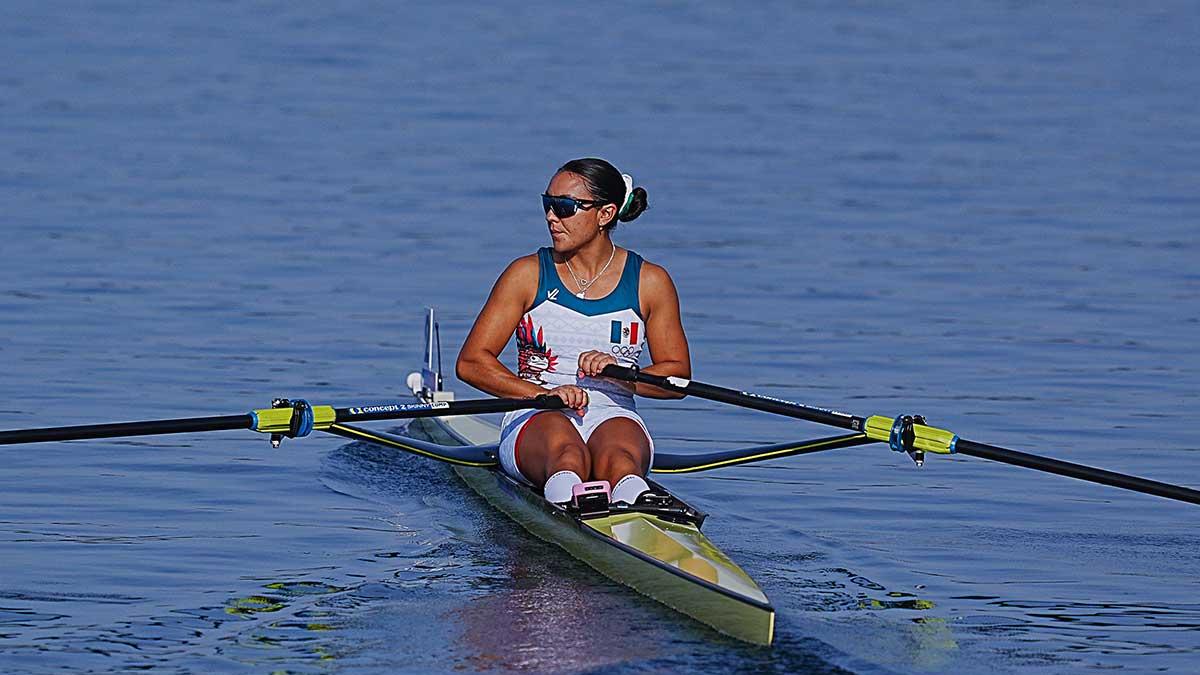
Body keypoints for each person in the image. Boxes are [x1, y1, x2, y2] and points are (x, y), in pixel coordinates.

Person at [456, 158, 691, 505]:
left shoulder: (650, 282)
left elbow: (677, 377)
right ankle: (571, 504)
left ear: (605, 214)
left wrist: (624, 378)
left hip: (614, 412)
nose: (552, 217)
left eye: (564, 207)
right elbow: (472, 363)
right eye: (547, 204)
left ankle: (636, 506)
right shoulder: (526, 274)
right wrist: (537, 394)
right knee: (568, 454)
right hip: (537, 413)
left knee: (622, 462)